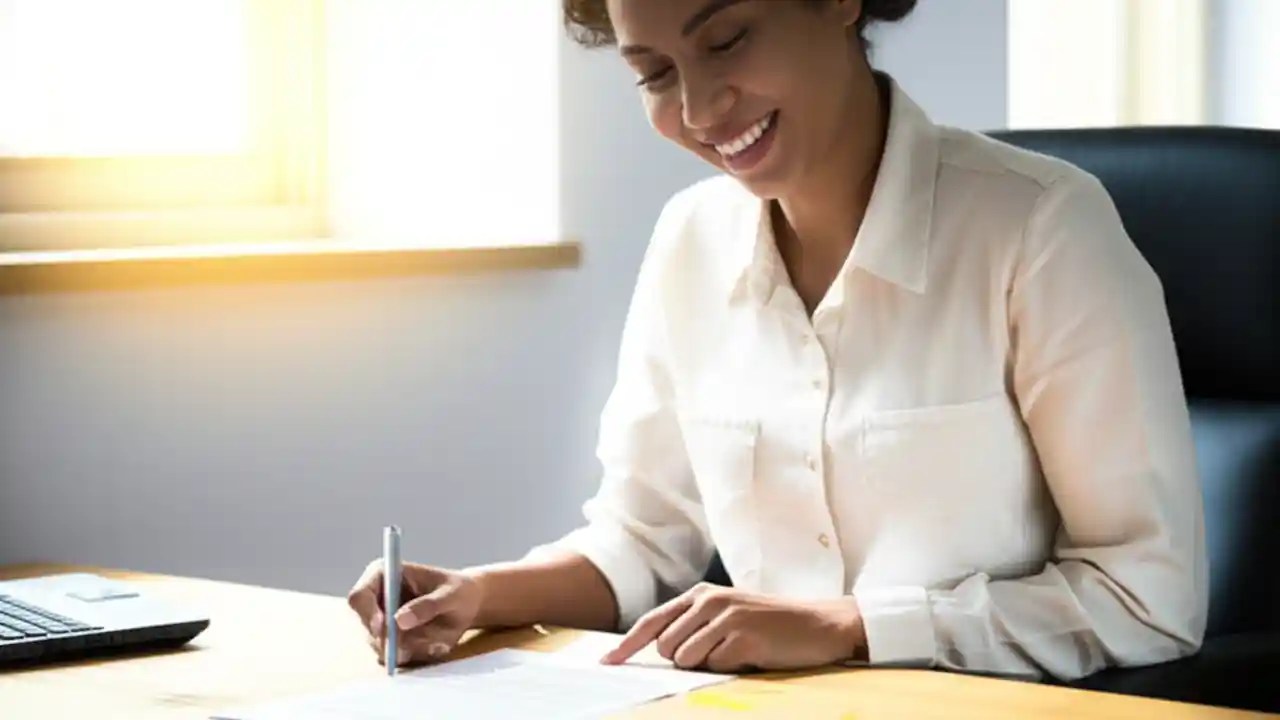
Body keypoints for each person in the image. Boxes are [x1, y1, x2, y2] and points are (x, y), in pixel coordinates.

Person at [347, 0, 1207, 680]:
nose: (696, 109)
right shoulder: (690, 240)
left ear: (838, 0)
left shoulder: (1042, 229)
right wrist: (476, 596)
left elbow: (1146, 596)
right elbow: (645, 541)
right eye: (652, 73)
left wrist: (848, 628)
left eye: (725, 41)